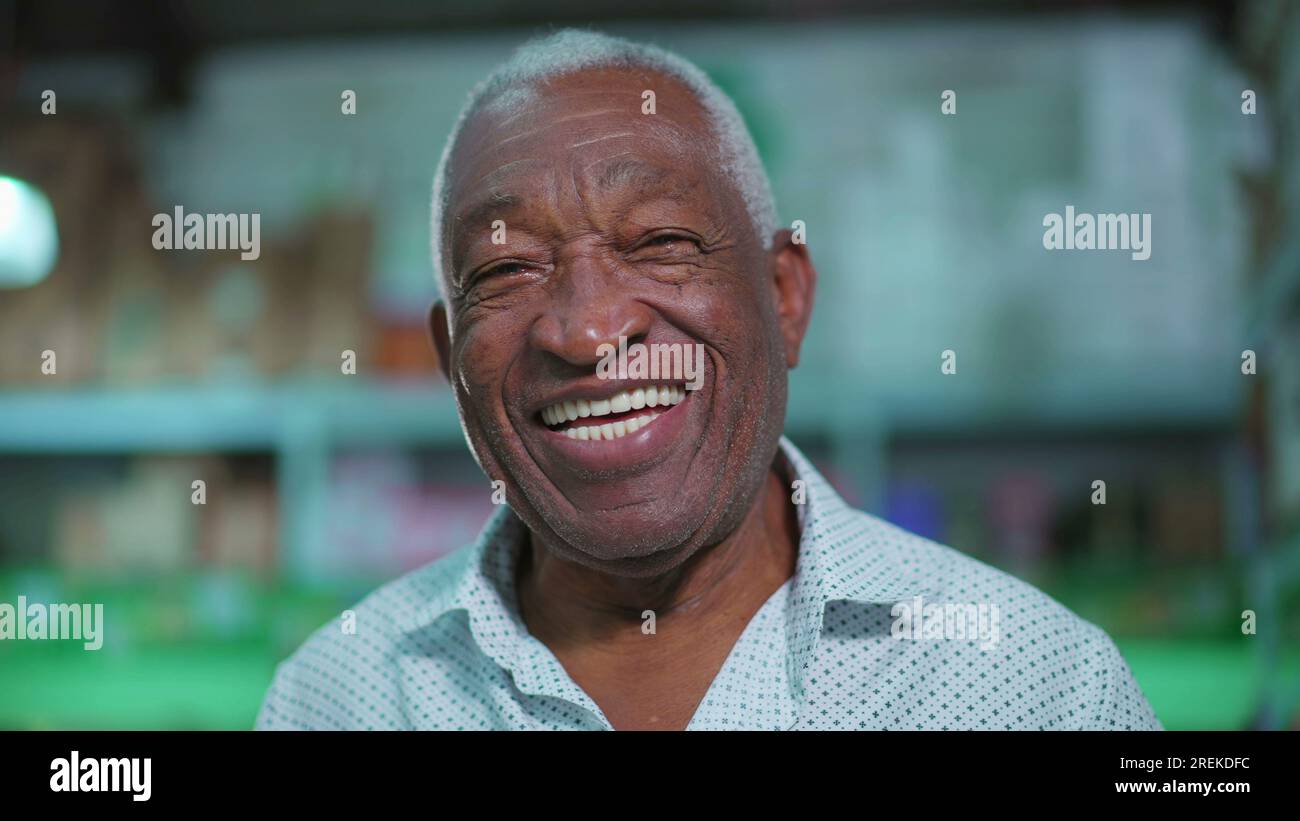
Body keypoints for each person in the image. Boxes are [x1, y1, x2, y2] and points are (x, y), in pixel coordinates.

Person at [257, 29, 1161, 731]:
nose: (590, 328)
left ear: (785, 296)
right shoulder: (339, 698)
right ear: (451, 356)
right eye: (507, 271)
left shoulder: (1036, 686)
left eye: (661, 243)